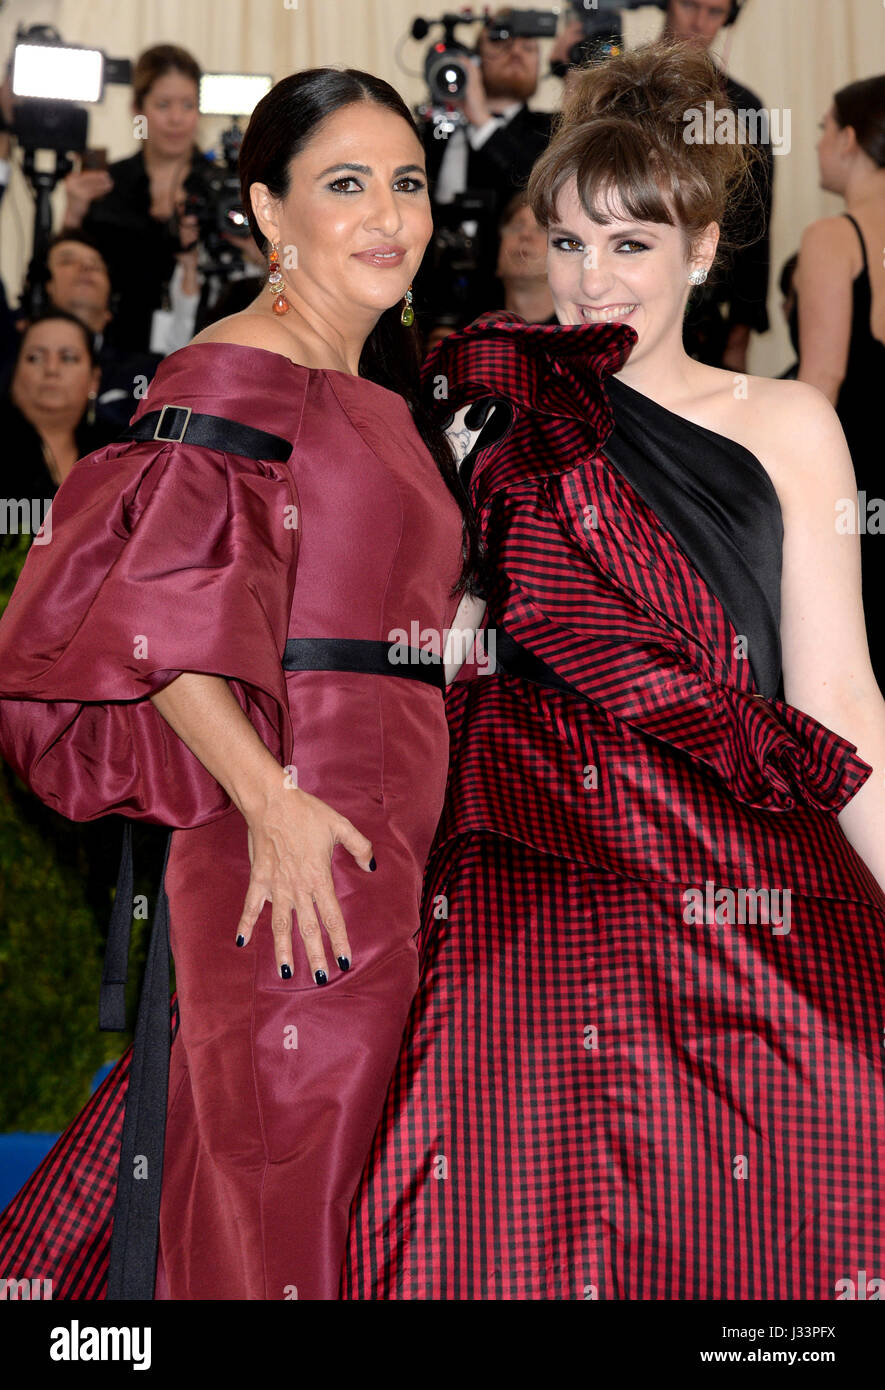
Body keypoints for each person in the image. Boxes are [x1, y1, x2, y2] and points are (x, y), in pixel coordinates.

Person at [339, 41, 885, 1299]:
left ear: (702, 252)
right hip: (535, 847)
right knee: (490, 1177)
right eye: (570, 242)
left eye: (630, 246)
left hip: (734, 843)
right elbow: (445, 656)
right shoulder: (488, 413)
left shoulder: (791, 422)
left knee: (829, 1115)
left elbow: (839, 697)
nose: (590, 281)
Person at [0, 67, 483, 1301]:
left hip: (383, 823)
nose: (390, 213)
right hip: (298, 829)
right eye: (344, 183)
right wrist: (271, 803)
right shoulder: (238, 363)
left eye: (408, 182)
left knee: (326, 1188)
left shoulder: (369, 386)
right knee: (288, 1190)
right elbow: (147, 622)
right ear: (268, 211)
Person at [795, 76, 885, 692]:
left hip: (857, 478)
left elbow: (821, 380)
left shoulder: (833, 237)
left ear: (850, 140)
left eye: (825, 127)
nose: (820, 141)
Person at [60, 44, 208, 355]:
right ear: (137, 109)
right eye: (163, 105)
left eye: (188, 105)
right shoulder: (106, 183)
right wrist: (73, 212)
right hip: (114, 351)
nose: (177, 119)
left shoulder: (222, 186)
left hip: (205, 349)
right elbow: (65, 270)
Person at [662, 0, 773, 371]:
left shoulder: (744, 108)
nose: (698, 22)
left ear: (730, 18)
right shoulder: (622, 88)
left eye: (714, 11)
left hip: (705, 312)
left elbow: (756, 228)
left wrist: (741, 333)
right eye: (689, 5)